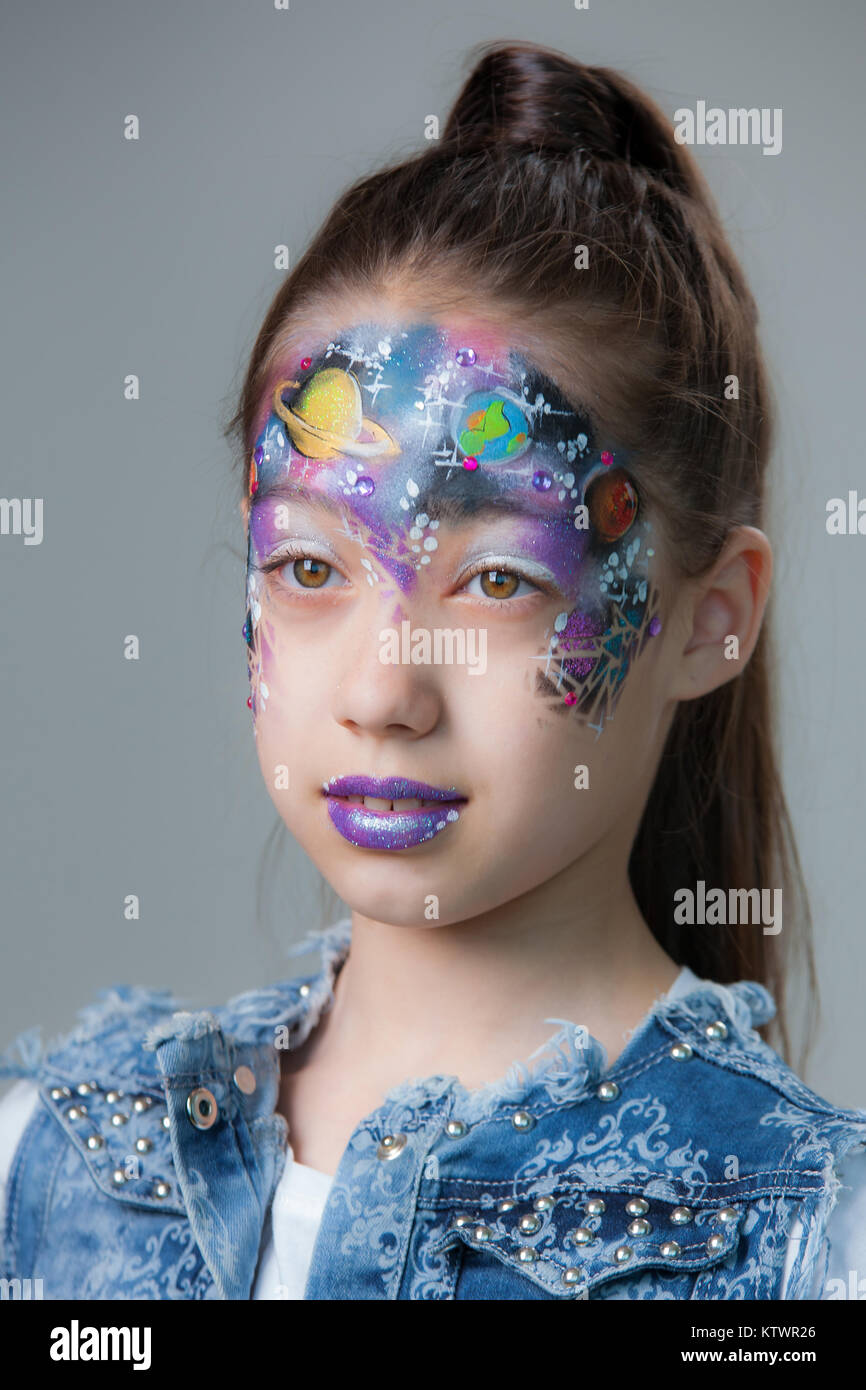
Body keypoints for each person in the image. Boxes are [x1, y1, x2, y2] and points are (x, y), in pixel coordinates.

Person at [2, 39, 865, 1302]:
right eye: (308, 568)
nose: (384, 693)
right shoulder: (49, 1159)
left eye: (498, 579)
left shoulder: (808, 1254)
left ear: (705, 618)